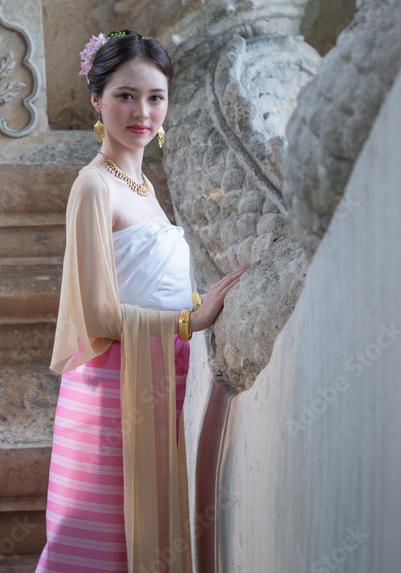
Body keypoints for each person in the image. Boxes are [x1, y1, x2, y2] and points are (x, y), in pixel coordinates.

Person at [36, 31, 249, 573]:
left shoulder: (144, 187)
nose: (142, 111)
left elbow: (146, 281)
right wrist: (190, 319)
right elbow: (99, 315)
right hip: (110, 395)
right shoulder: (94, 186)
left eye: (155, 97)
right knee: (98, 544)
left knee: (141, 541)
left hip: (158, 382)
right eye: (125, 95)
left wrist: (205, 299)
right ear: (97, 100)